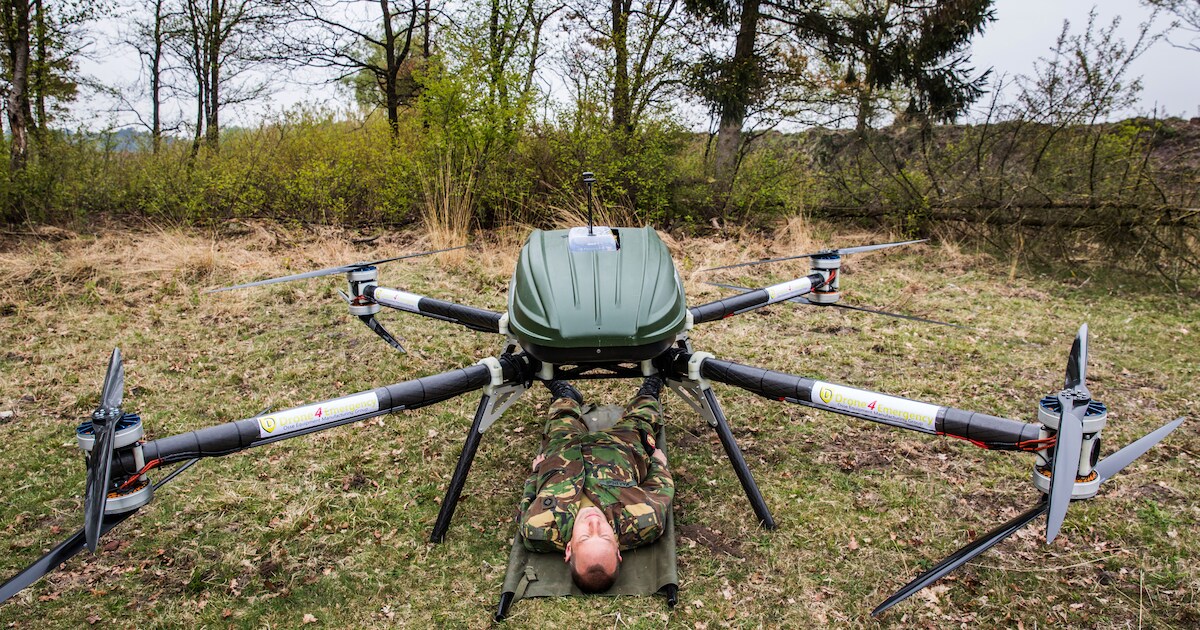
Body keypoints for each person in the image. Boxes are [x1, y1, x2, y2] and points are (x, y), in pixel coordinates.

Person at [518, 375, 674, 593]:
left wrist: (536, 472)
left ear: (569, 550)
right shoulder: (643, 520)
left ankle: (566, 396)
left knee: (560, 418)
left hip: (564, 449)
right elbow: (661, 489)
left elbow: (529, 499)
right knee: (643, 419)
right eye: (603, 536)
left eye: (584, 537)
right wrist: (658, 462)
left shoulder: (538, 529)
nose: (594, 525)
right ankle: (650, 388)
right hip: (619, 446)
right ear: (618, 549)